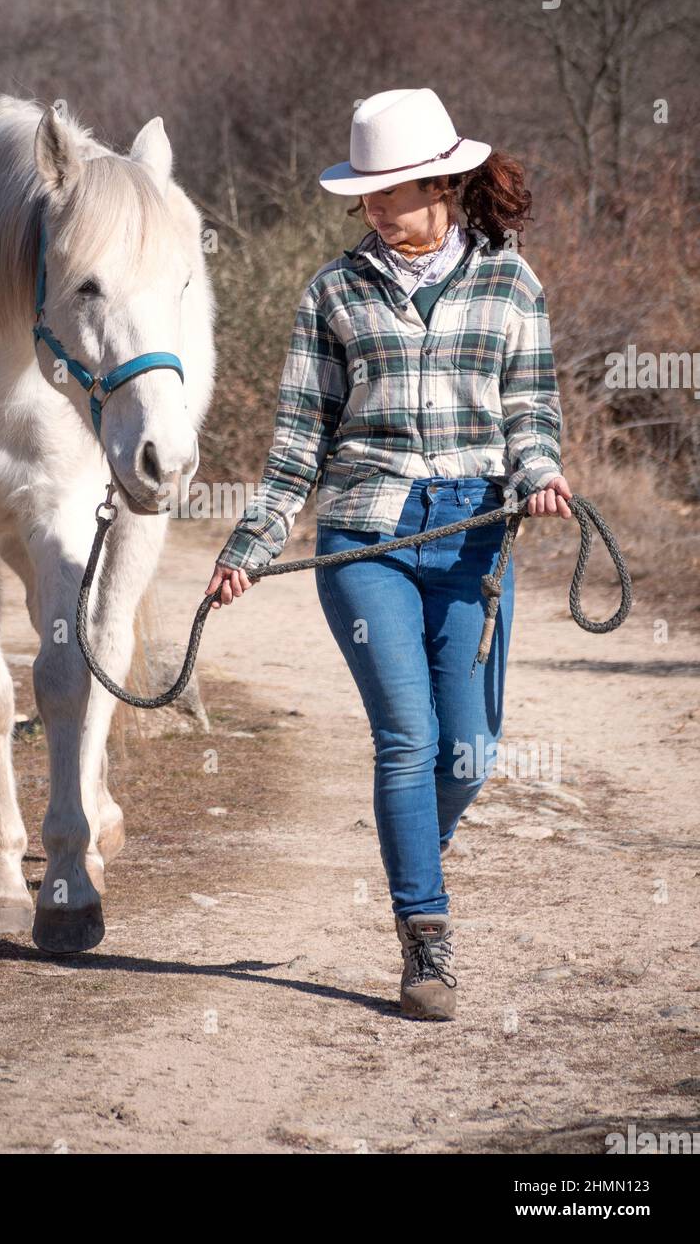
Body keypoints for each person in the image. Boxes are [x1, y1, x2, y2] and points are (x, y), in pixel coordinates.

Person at [205, 88, 572, 1020]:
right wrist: (250, 542)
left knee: (468, 755)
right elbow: (298, 440)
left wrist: (538, 472)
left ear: (441, 182)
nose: (373, 208)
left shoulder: (509, 282)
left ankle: (408, 845)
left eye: (392, 192)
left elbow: (531, 408)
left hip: (471, 534)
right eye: (364, 195)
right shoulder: (332, 292)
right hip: (364, 535)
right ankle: (425, 936)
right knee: (406, 738)